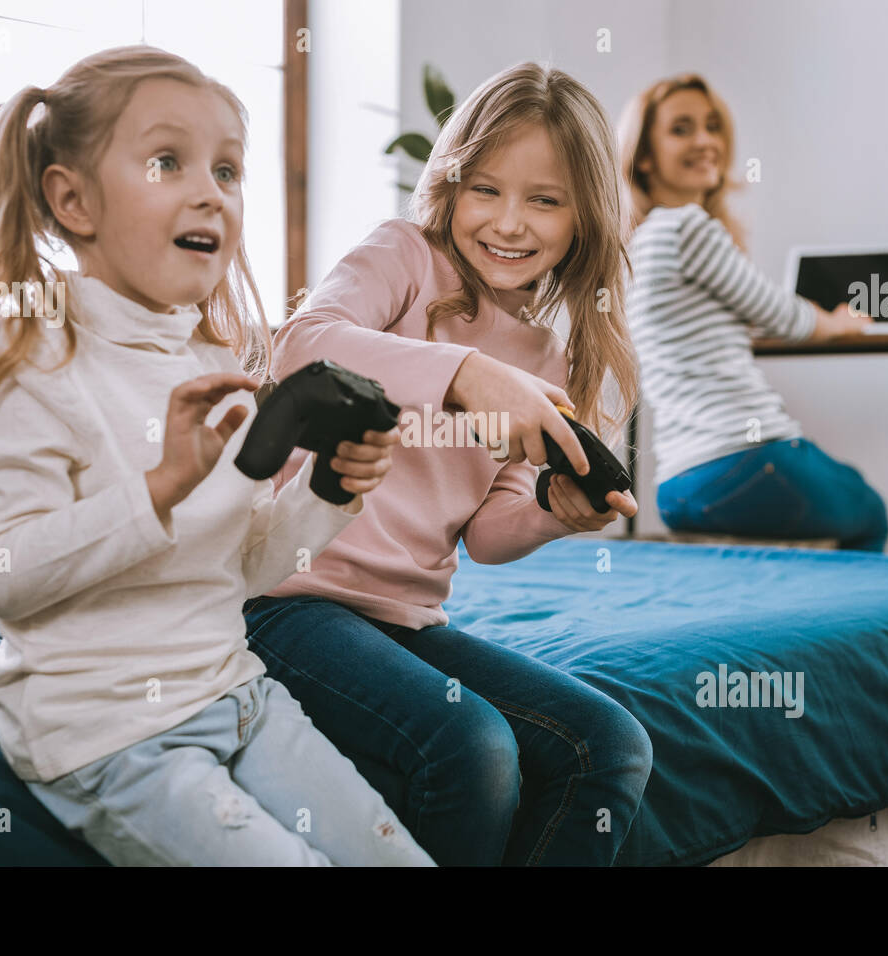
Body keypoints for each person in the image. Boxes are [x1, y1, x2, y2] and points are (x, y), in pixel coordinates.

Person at [0, 46, 433, 866]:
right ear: (72, 199)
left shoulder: (212, 365)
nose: (210, 190)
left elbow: (235, 573)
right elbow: (2, 574)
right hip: (109, 733)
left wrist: (327, 490)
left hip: (237, 695)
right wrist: (159, 486)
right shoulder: (29, 358)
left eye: (229, 171)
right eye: (167, 162)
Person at [243, 62, 653, 866]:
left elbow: (490, 536)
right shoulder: (402, 257)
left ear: (583, 219)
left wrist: (552, 511)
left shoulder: (550, 357)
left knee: (610, 747)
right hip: (283, 601)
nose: (508, 222)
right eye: (486, 191)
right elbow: (303, 346)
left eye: (545, 200)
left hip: (404, 619)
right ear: (452, 186)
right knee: (473, 745)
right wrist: (466, 373)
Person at [616, 73, 888, 551]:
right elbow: (786, 318)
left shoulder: (638, 243)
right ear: (643, 156)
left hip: (678, 484)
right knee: (869, 513)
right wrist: (839, 321)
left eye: (712, 126)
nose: (705, 141)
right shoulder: (686, 226)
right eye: (681, 129)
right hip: (744, 457)